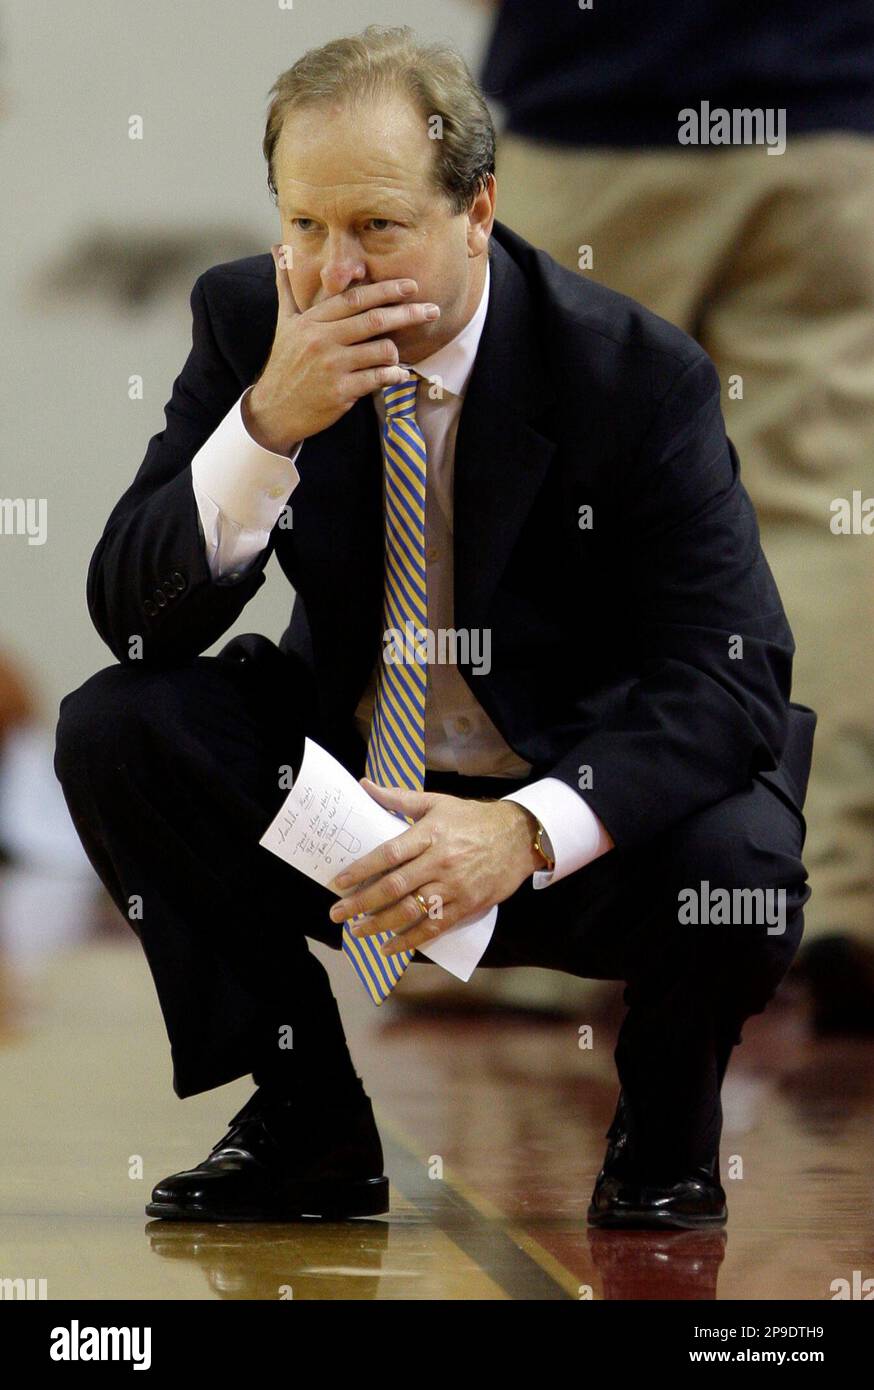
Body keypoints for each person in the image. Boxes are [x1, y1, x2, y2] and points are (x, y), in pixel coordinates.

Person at [53, 25, 814, 1230]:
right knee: (119, 728)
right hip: (354, 814)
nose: (334, 270)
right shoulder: (255, 323)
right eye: (304, 225)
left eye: (377, 226)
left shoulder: (632, 374)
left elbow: (732, 680)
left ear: (478, 209)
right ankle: (307, 1126)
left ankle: (664, 1137)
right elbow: (131, 623)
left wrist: (523, 827)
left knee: (744, 864)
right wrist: (263, 429)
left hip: (570, 815)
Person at [480, 0, 874, 1032]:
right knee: (815, 514)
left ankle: (519, 922)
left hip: (586, 114)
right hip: (829, 114)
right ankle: (812, 895)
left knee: (538, 509)